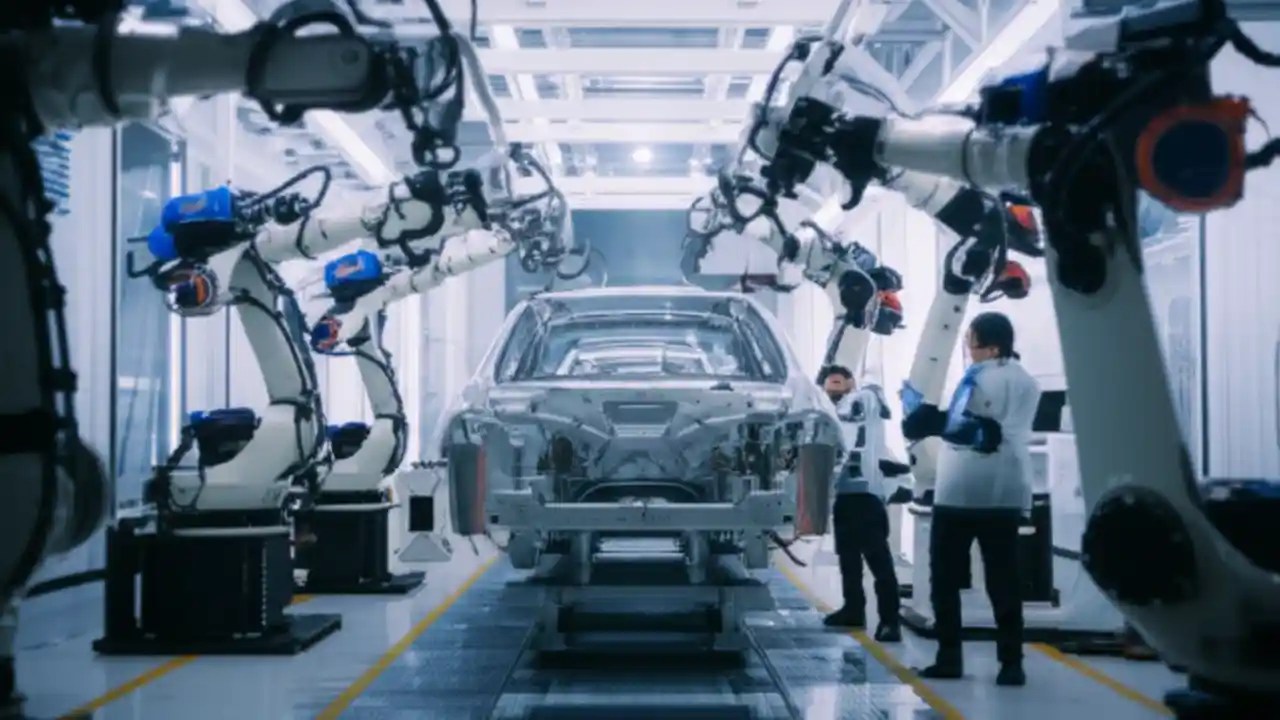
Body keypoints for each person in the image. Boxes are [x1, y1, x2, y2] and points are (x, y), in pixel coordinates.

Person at [901, 312, 1041, 687]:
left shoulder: (978, 378)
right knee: (1005, 582)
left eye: (971, 341)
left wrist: (926, 419)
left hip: (961, 493)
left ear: (991, 346)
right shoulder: (1027, 381)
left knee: (944, 580)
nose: (968, 348)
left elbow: (971, 430)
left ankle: (949, 659)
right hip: (1007, 494)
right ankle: (1011, 663)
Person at [819, 365, 913, 642]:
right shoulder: (831, 412)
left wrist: (869, 385)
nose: (834, 387)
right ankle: (853, 609)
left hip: (867, 497)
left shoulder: (862, 401)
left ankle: (890, 621)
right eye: (829, 383)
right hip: (844, 497)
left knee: (878, 561)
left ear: (851, 382)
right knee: (848, 560)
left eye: (839, 381)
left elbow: (872, 397)